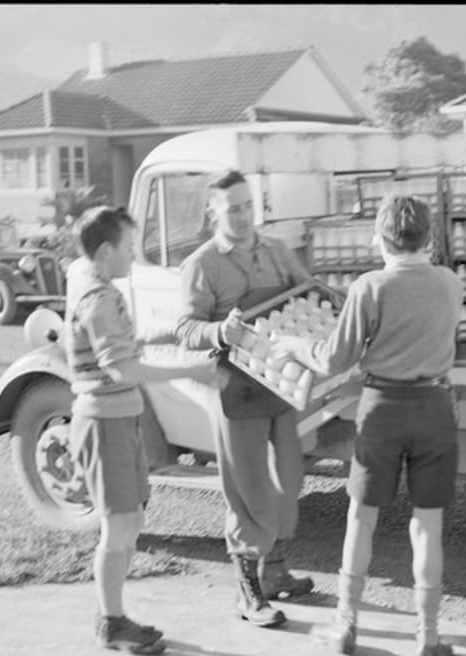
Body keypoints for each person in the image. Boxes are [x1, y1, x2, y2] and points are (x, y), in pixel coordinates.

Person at [271, 196, 464, 656]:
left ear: (379, 239)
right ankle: (428, 637)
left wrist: (294, 344)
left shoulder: (370, 287)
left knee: (362, 516)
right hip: (436, 406)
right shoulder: (451, 282)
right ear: (430, 239)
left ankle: (346, 625)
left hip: (383, 406)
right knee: (428, 524)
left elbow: (336, 358)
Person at [65, 206, 220, 653]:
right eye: (130, 248)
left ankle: (114, 617)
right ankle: (111, 622)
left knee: (130, 522)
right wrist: (192, 370)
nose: (135, 256)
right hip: (104, 424)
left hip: (119, 421)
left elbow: (122, 343)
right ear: (107, 250)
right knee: (118, 527)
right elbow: (123, 370)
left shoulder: (95, 284)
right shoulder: (98, 299)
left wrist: (167, 334)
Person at [174, 169, 316, 628]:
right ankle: (248, 592)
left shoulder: (275, 250)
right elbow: (185, 329)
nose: (241, 215)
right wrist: (220, 330)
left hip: (282, 386)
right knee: (248, 487)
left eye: (247, 205)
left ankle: (275, 572)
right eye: (232, 207)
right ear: (213, 212)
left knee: (288, 481)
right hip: (237, 389)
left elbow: (305, 291)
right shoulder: (202, 264)